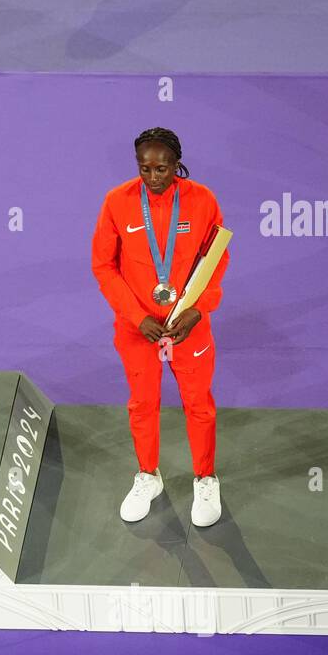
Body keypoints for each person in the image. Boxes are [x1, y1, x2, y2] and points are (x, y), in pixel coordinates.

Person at [91, 127, 230, 527]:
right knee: (142, 403)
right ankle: (148, 476)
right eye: (145, 168)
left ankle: (205, 477)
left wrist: (199, 309)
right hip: (140, 329)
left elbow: (217, 258)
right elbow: (103, 266)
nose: (153, 178)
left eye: (163, 169)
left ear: (177, 164)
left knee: (198, 404)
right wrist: (138, 317)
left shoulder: (203, 201)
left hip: (187, 325)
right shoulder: (117, 202)